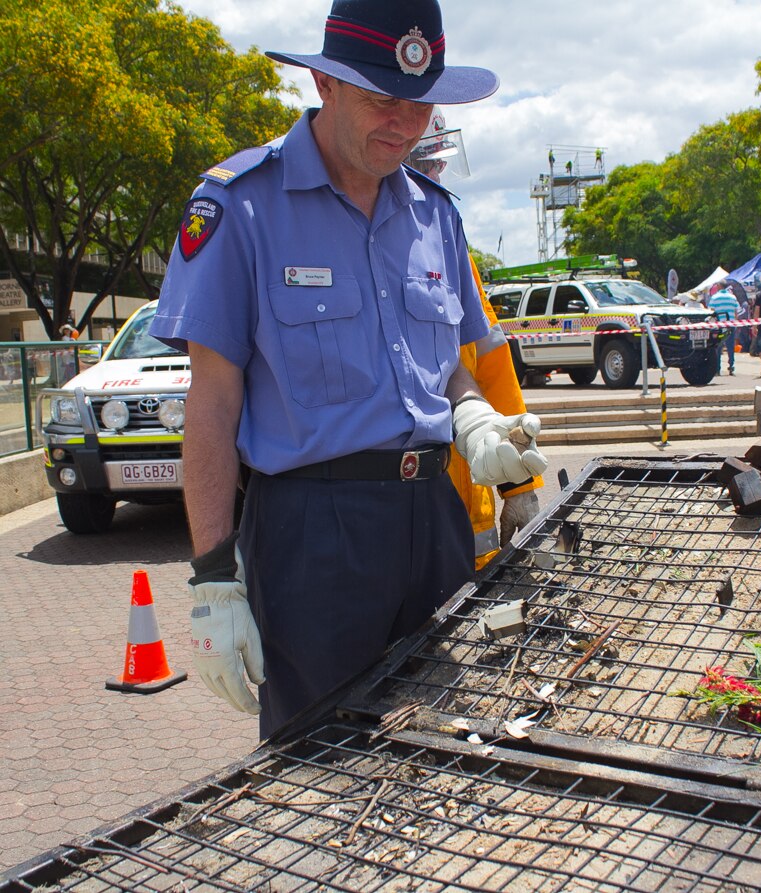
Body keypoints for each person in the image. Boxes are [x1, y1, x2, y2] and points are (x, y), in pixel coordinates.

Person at [150, 0, 547, 739]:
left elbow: (454, 368)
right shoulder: (241, 206)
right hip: (312, 536)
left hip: (435, 517)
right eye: (383, 100)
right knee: (322, 774)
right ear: (325, 85)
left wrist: (472, 418)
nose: (405, 124)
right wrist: (211, 577)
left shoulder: (437, 214)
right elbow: (211, 404)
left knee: (454, 745)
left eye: (421, 106)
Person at [407, 109, 543, 567]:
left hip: (470, 495)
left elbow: (492, 362)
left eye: (440, 159)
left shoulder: (446, 239)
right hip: (409, 504)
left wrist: (519, 485)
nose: (438, 170)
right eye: (428, 159)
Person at [707, 281, 739, 375]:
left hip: (719, 325)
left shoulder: (715, 297)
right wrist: (735, 323)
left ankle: (717, 369)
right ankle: (731, 366)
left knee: (718, 347)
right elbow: (736, 312)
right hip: (730, 324)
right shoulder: (732, 297)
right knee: (730, 346)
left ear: (719, 286)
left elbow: (711, 311)